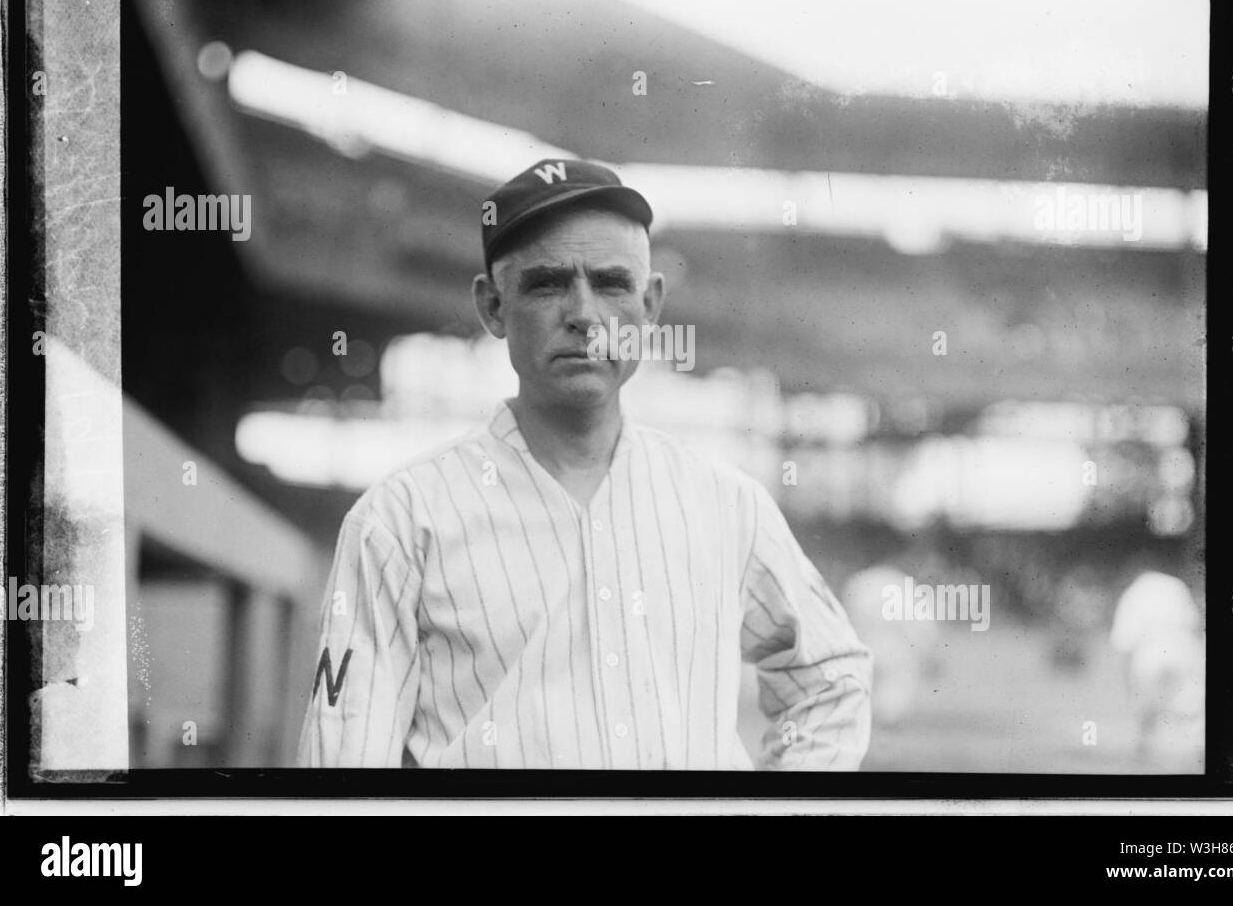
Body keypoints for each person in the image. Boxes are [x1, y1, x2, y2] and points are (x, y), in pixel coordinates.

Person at [298, 158, 873, 769]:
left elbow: (832, 679)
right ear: (493, 306)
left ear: (650, 306)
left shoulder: (727, 504)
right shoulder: (400, 520)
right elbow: (343, 763)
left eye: (611, 283)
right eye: (547, 283)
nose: (584, 314)